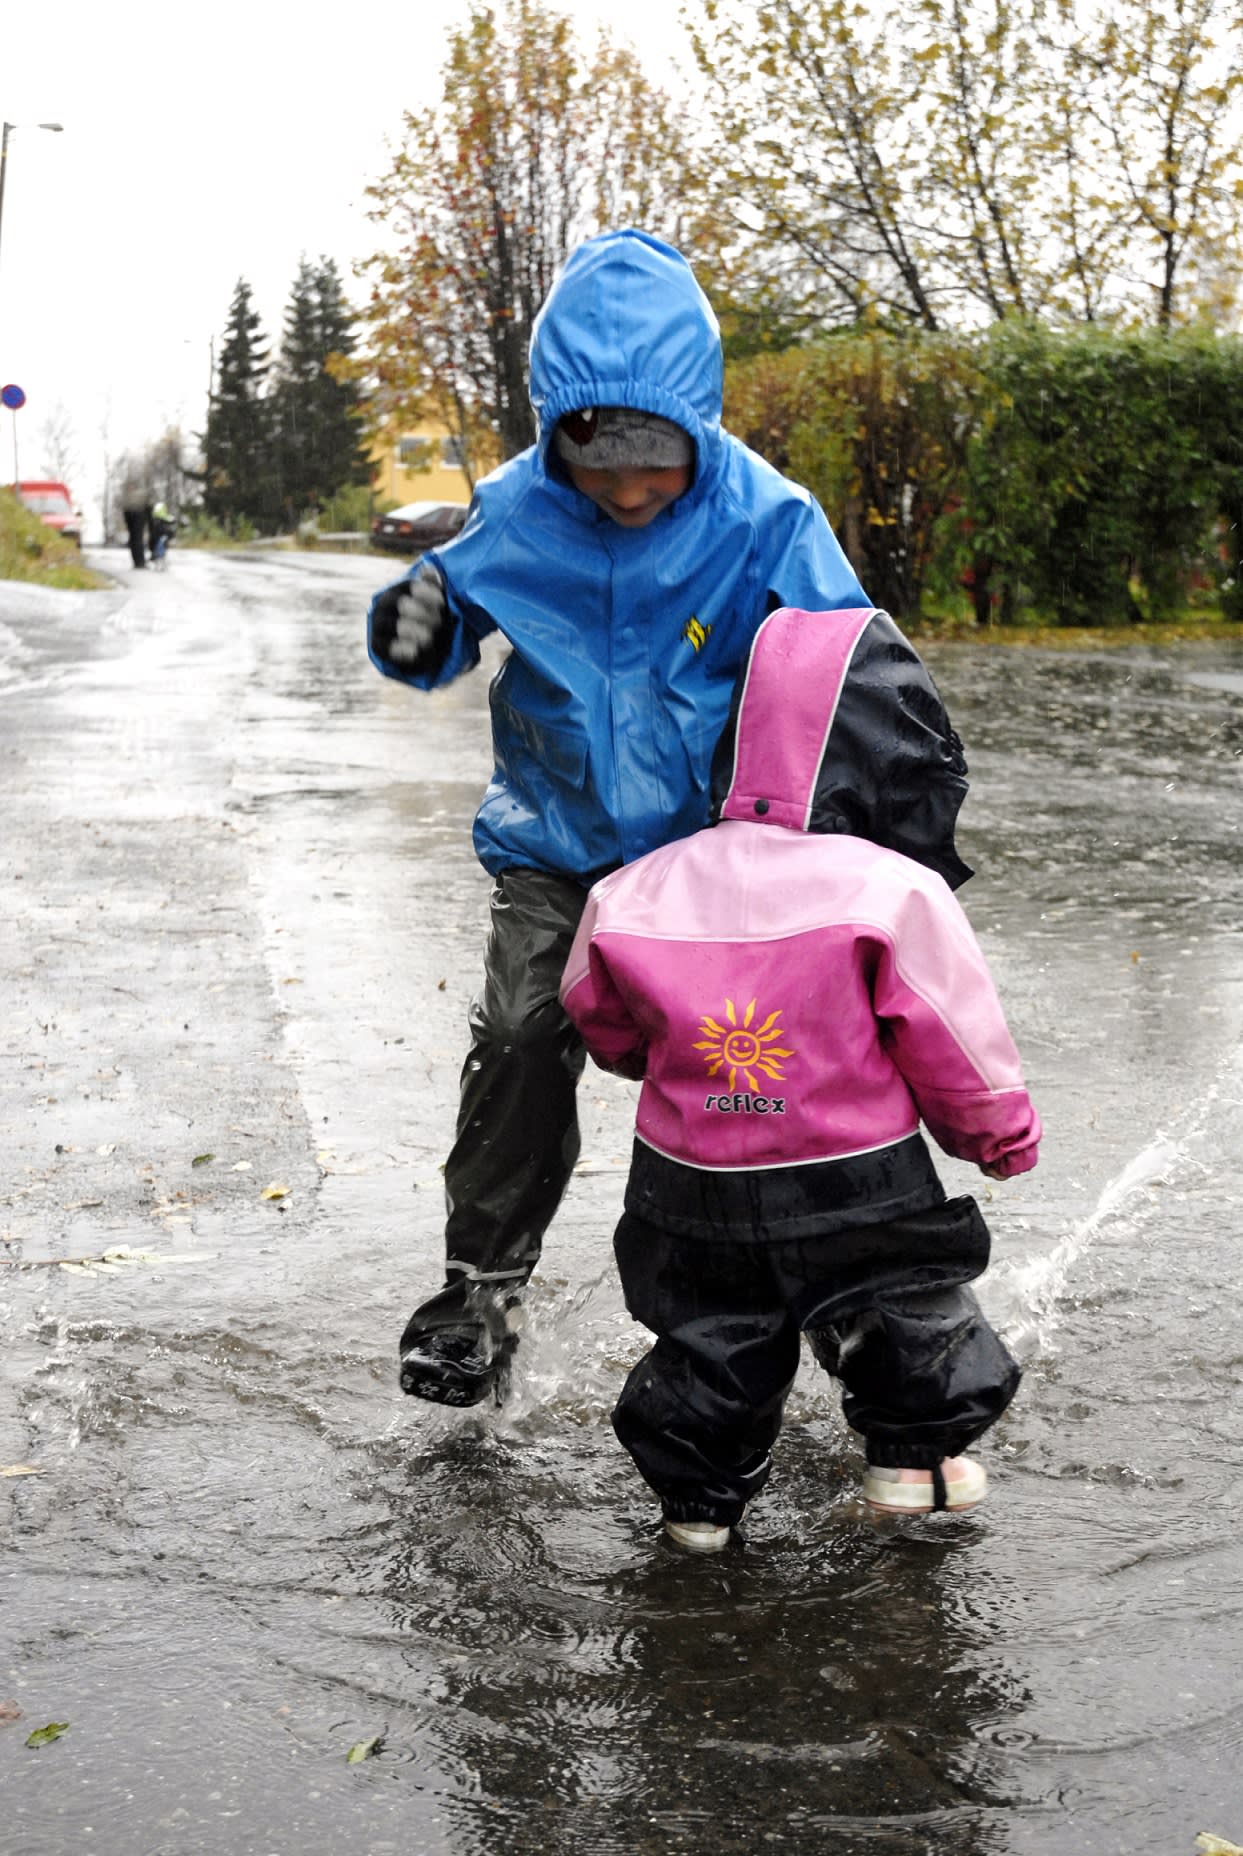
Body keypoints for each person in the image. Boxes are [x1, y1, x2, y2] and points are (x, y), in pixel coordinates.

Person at [367, 227, 973, 1410]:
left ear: (699, 424)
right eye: (601, 462)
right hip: (559, 847)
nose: (631, 488)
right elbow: (444, 612)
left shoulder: (764, 518)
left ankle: (839, 1296)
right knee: (521, 1032)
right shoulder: (516, 510)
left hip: (724, 861)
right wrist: (420, 622)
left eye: (659, 461)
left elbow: (848, 664)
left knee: (768, 1064)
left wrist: (885, 840)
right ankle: (479, 1288)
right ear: (557, 435)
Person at [560, 604, 1040, 1551]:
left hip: (686, 1180)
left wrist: (666, 1066)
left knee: (706, 1331)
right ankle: (912, 1464)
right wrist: (995, 1136)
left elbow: (596, 1010)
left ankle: (697, 1509)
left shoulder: (635, 887)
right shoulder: (891, 888)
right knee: (902, 1308)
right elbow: (948, 1035)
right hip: (854, 1174)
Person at [122, 499, 150, 569]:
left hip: (129, 509)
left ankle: (138, 562)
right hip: (138, 509)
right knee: (137, 538)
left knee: (134, 537)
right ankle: (139, 562)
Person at [149, 501, 175, 567]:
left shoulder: (158, 519)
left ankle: (158, 558)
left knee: (160, 547)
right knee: (158, 547)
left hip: (161, 537)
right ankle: (157, 558)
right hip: (159, 537)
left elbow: (171, 521)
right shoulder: (158, 519)